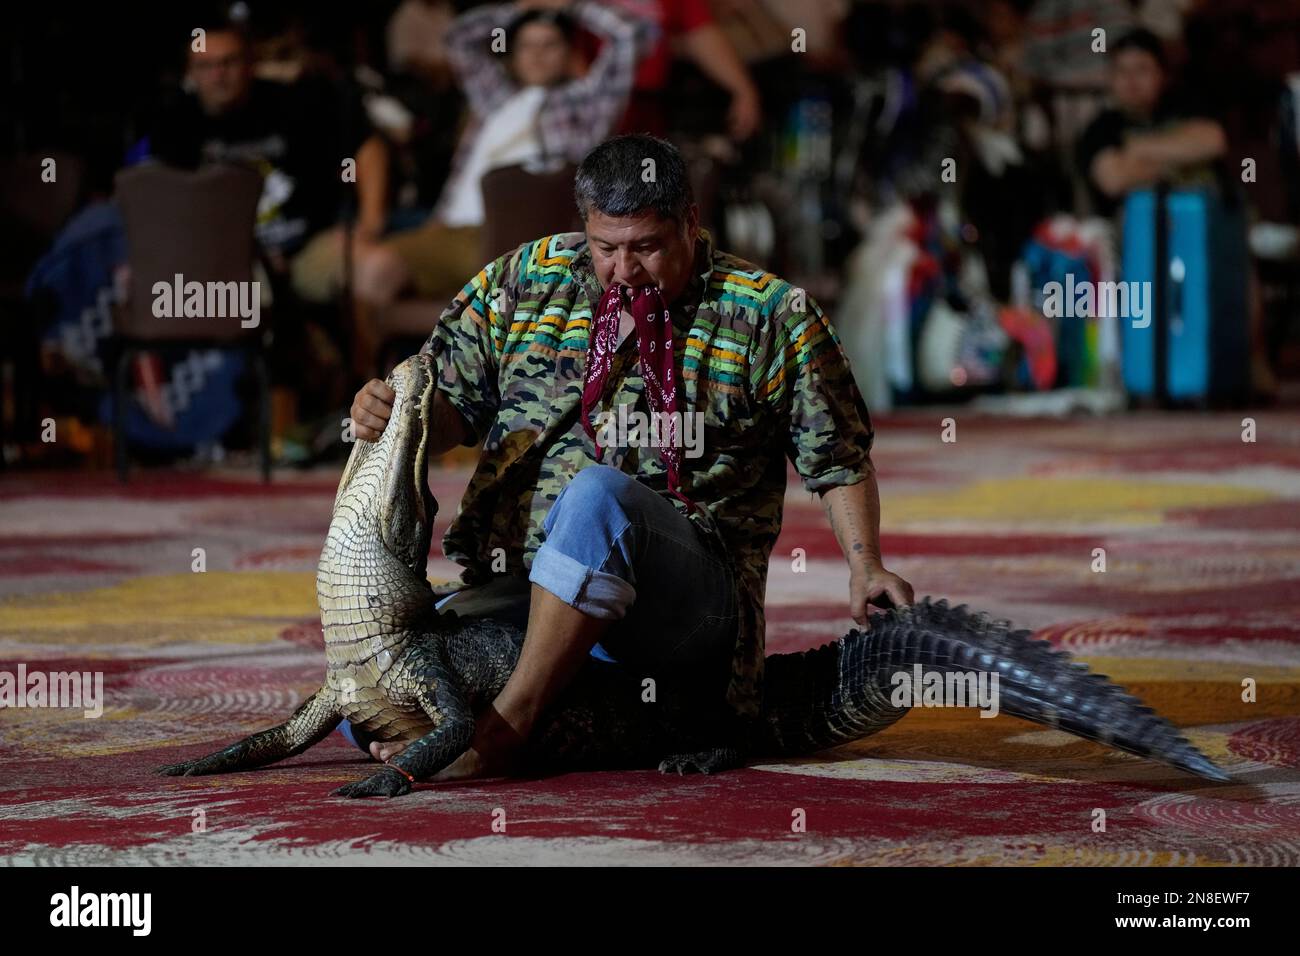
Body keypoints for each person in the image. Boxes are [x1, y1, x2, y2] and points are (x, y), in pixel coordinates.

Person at [345, 134, 914, 779]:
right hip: (522, 586)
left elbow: (838, 459)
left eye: (646, 247)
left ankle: (509, 728)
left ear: (690, 225)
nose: (623, 270)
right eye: (605, 248)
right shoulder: (524, 280)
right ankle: (610, 716)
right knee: (372, 695)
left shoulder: (768, 313)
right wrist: (401, 413)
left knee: (597, 496)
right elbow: (452, 405)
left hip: (684, 604)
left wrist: (867, 567)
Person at [351, 0, 657, 309]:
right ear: (513, 54)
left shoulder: (585, 103)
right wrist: (520, 10)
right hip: (447, 227)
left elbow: (631, 35)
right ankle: (389, 357)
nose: (536, 55)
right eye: (526, 46)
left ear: (569, 53)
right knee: (365, 267)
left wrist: (571, 7)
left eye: (549, 45)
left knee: (372, 267)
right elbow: (458, 38)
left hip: (516, 237)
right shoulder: (495, 99)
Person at [1075, 27, 1226, 217]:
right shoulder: (1101, 128)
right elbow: (1114, 180)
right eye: (1121, 71)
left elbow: (1214, 141)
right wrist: (1183, 159)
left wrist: (1138, 149)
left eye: (1142, 69)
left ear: (1162, 74)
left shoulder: (1186, 106)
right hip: (1133, 233)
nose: (1131, 81)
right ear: (1110, 78)